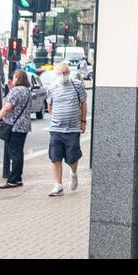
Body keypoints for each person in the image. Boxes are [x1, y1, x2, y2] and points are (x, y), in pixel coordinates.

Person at [45, 61, 87, 197]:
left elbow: (83, 103)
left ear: (69, 73)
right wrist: (56, 118)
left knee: (72, 157)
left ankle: (73, 173)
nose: (63, 75)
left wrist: (83, 121)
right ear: (56, 74)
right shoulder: (52, 87)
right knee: (55, 157)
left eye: (65, 73)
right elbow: (50, 106)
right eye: (60, 73)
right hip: (56, 129)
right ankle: (58, 185)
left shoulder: (77, 85)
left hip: (72, 129)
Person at [0, 69, 33, 188]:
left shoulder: (16, 91)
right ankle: (18, 178)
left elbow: (7, 107)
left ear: (18, 78)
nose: (13, 79)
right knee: (18, 152)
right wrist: (11, 89)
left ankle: (13, 179)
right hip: (24, 126)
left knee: (14, 154)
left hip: (14, 126)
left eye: (14, 77)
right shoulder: (26, 91)